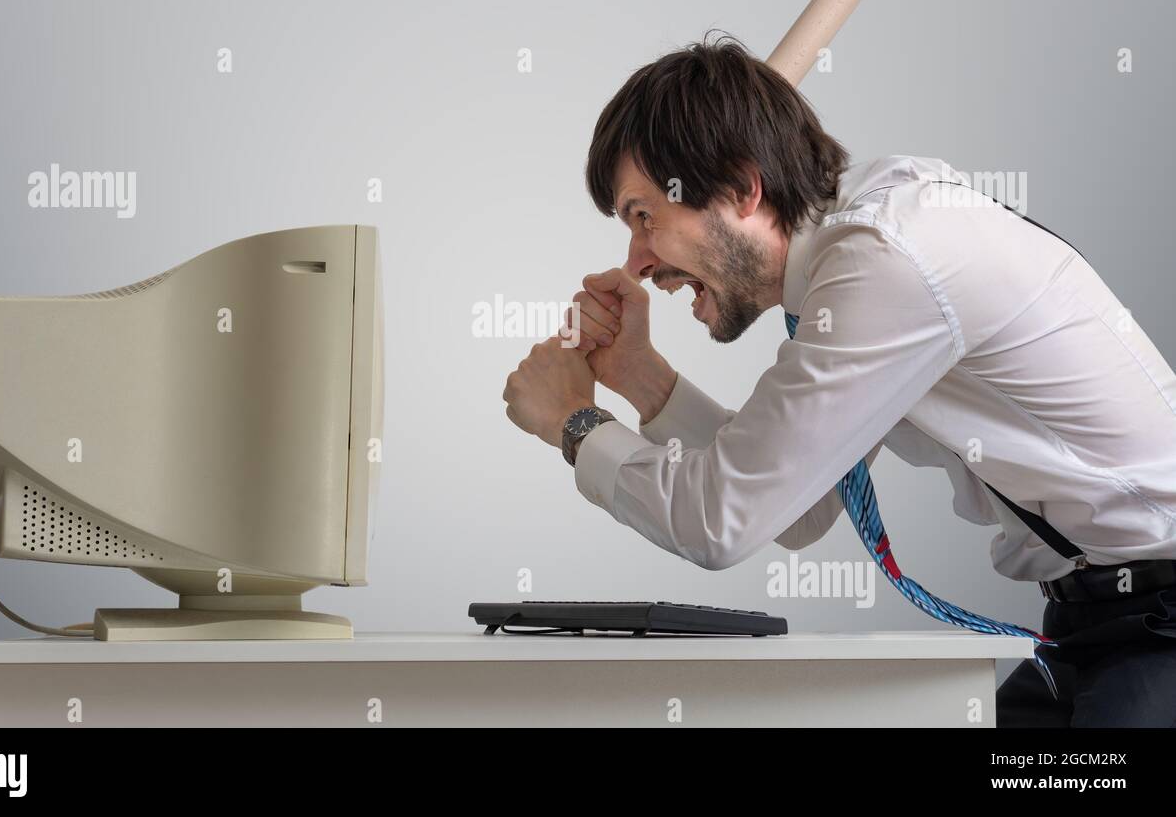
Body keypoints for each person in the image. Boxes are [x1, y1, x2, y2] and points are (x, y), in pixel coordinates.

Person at [502, 35, 1176, 727]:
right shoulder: (850, 257)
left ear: (741, 186)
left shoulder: (882, 260)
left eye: (646, 216)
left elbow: (720, 520)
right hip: (1094, 627)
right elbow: (799, 507)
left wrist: (574, 423)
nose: (638, 261)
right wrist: (641, 379)